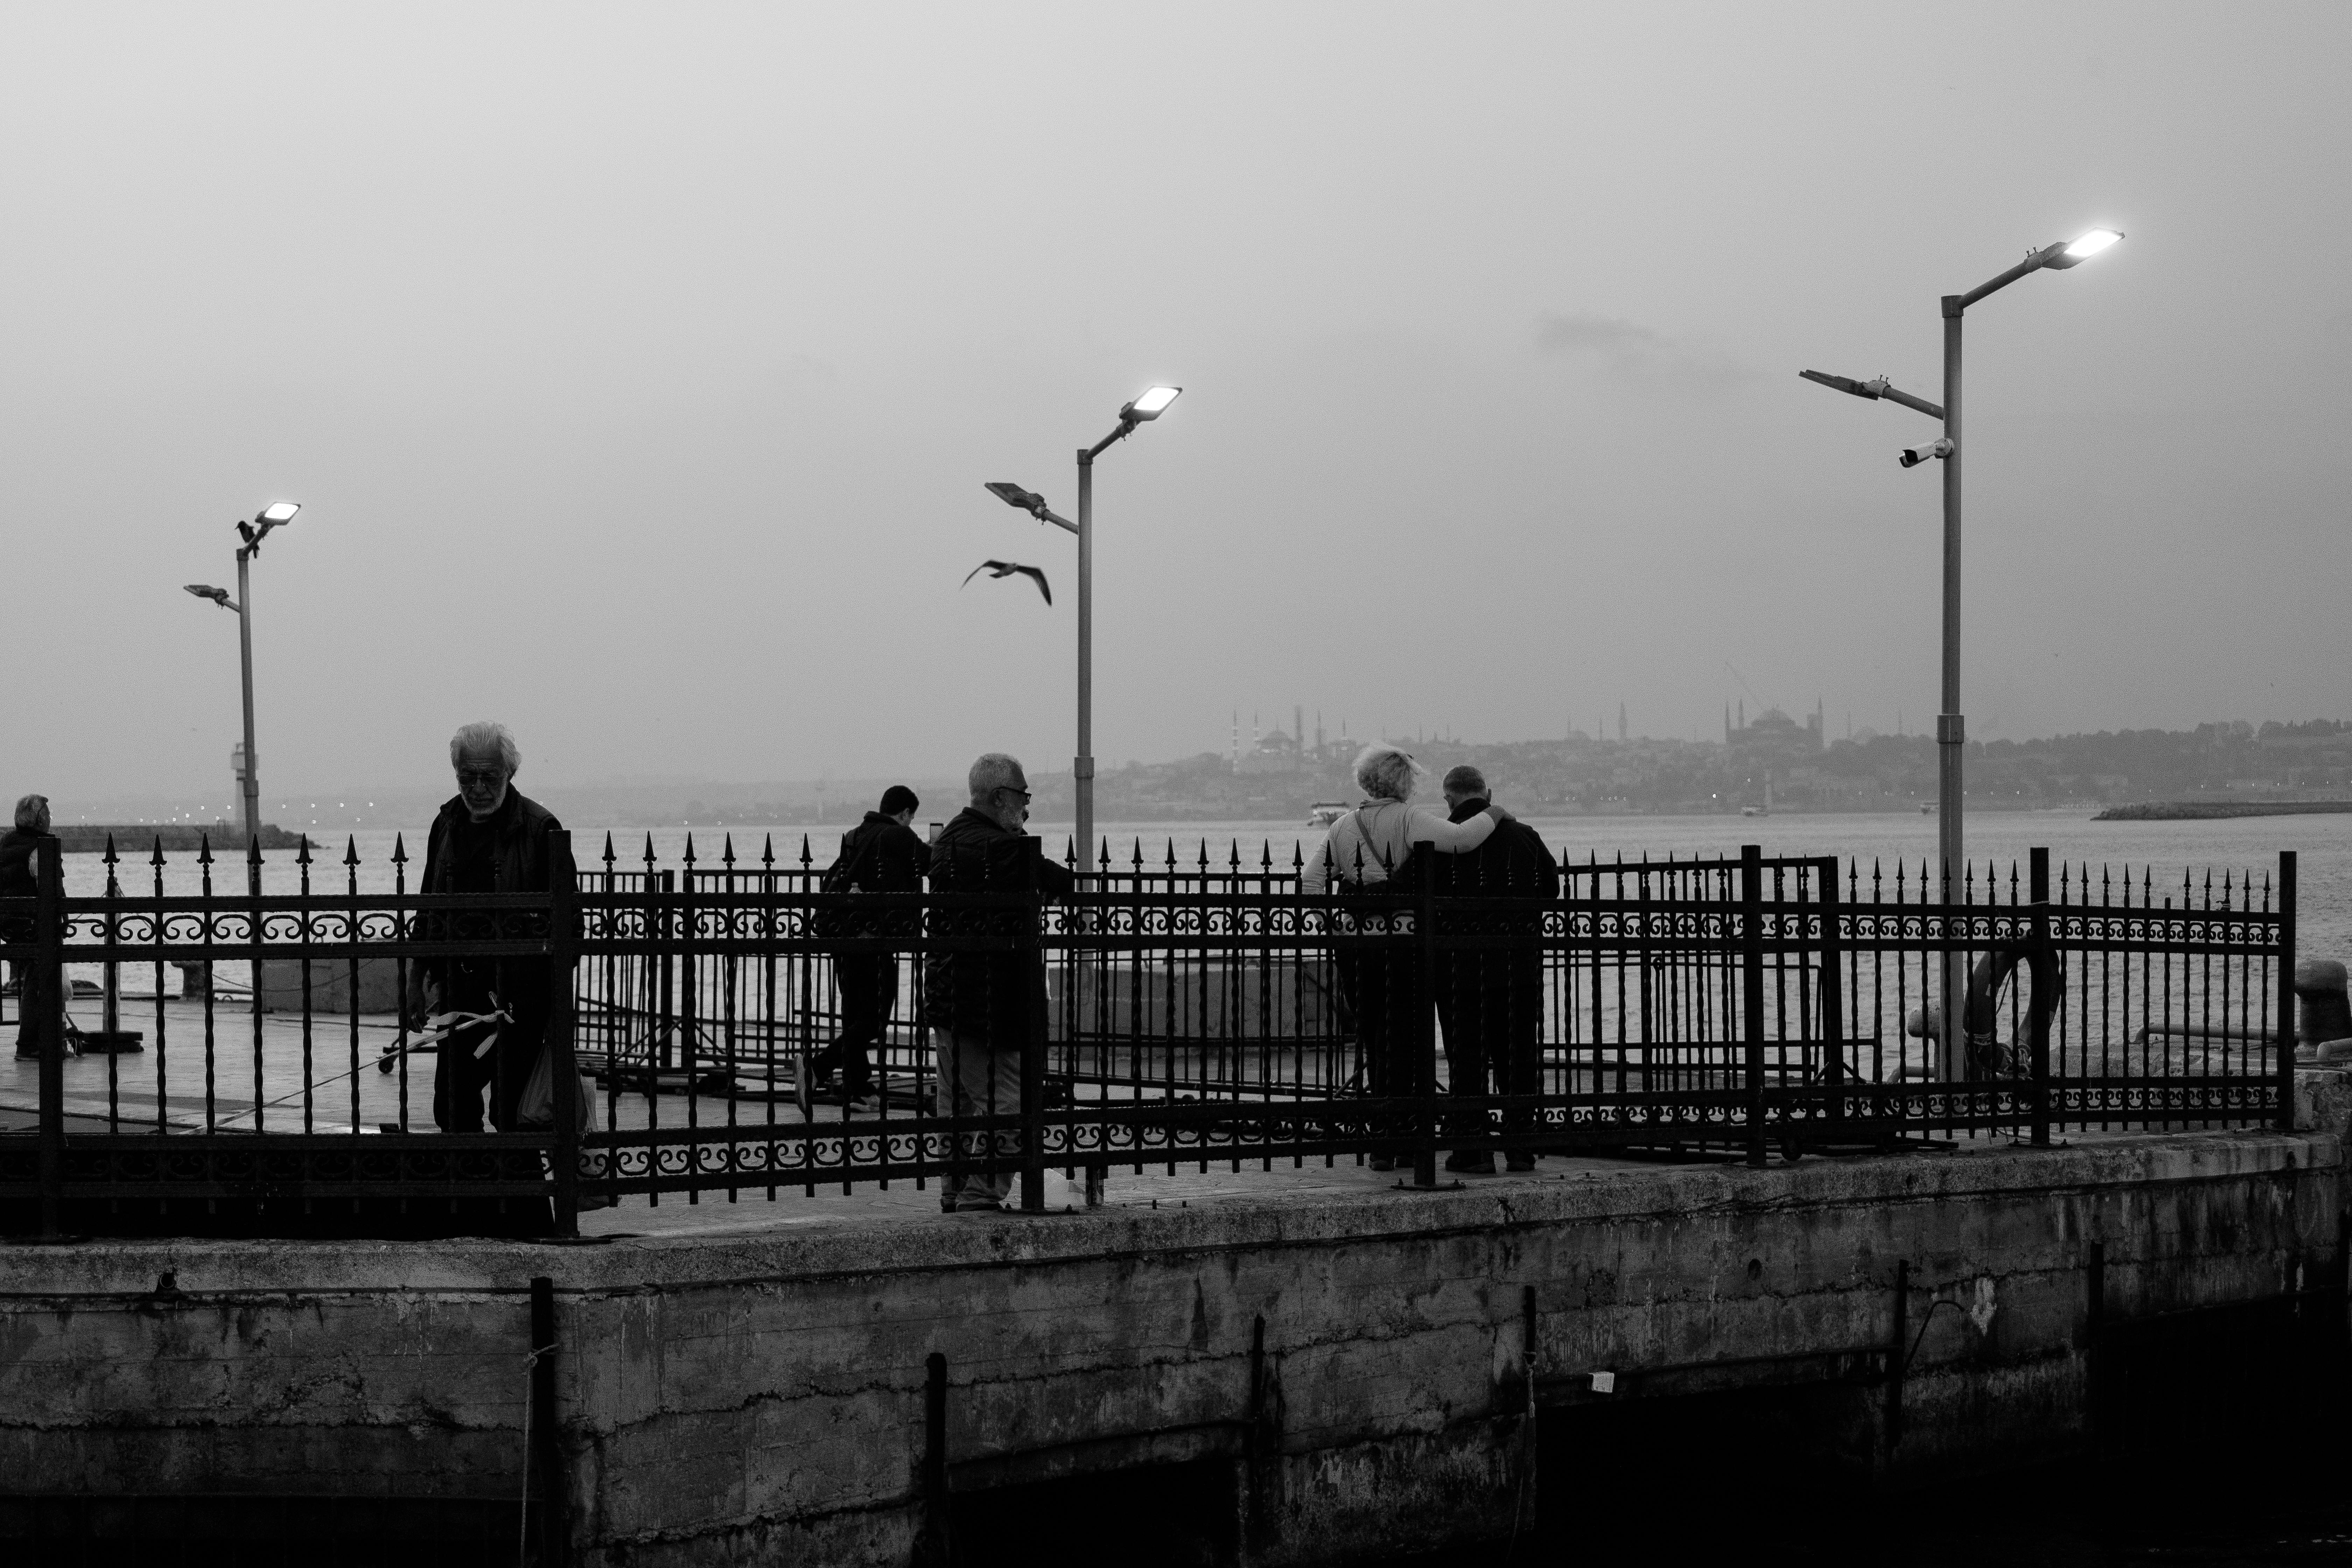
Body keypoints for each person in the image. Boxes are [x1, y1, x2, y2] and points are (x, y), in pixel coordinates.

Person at [1300, 744, 1510, 1170]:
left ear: (1365, 780)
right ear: (1404, 782)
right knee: (1411, 1042)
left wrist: (1340, 925)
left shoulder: (1342, 827)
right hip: (1406, 947)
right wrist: (1497, 813)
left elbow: (1310, 885)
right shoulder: (1411, 819)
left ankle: (1382, 1141)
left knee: (1375, 1039)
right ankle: (1410, 1137)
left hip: (1359, 950)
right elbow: (1463, 839)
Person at [921, 753, 1073, 1212]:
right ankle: (983, 1192)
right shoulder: (1003, 847)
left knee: (956, 1104)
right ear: (999, 797)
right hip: (988, 1000)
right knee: (1006, 1098)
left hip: (947, 993)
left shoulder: (950, 838)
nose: (1027, 808)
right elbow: (1062, 881)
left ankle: (954, 1188)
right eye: (1023, 797)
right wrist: (1023, 842)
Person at [410, 723, 569, 1133]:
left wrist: (550, 1002)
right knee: (452, 1107)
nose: (478, 787)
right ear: (457, 773)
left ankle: (524, 1199)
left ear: (509, 774)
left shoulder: (540, 828)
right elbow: (429, 907)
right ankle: (474, 1197)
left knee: (513, 1115)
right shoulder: (446, 824)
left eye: (489, 777)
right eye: (468, 776)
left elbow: (569, 927)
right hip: (461, 993)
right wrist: (416, 978)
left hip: (520, 1002)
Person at [1425, 765, 1559, 1174]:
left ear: (1449, 799)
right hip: (1517, 966)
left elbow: (1414, 893)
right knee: (1517, 1057)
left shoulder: (1439, 841)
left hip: (1459, 970)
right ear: (1488, 792)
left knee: (1466, 1058)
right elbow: (1550, 888)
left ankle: (1473, 1150)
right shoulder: (1525, 837)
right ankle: (1520, 1148)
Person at [812, 784, 932, 1105]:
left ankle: (858, 1088)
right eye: (911, 818)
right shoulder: (900, 836)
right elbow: (930, 863)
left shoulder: (853, 835)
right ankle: (817, 1068)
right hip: (875, 939)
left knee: (855, 1015)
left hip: (846, 937)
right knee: (876, 1018)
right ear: (905, 813)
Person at [3, 794, 49, 1059]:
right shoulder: (38, 848)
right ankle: (30, 1043)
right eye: (47, 813)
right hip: (34, 922)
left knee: (34, 977)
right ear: (39, 818)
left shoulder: (7, 843)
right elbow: (47, 885)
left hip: (12, 922)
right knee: (39, 980)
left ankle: (34, 1040)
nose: (50, 818)